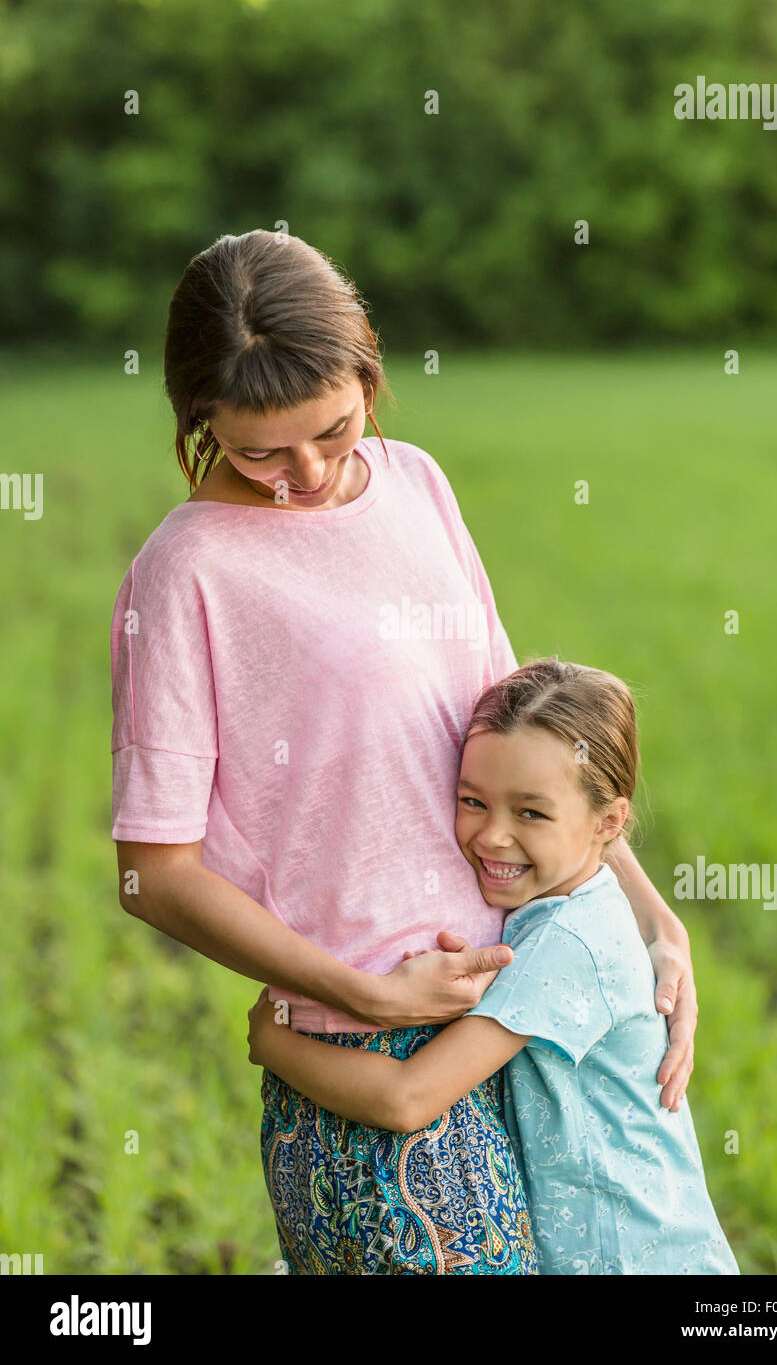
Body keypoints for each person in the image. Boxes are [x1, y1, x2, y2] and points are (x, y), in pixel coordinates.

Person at [111, 228, 698, 1275]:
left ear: (368, 367)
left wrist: (650, 921)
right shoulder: (186, 573)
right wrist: (364, 994)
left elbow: (540, 747)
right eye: (259, 449)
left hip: (503, 1030)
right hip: (362, 1061)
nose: (307, 474)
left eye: (334, 429)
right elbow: (152, 875)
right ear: (198, 419)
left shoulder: (416, 484)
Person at [248, 659, 737, 1275]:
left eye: (531, 813)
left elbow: (408, 1099)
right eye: (473, 801)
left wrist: (270, 1041)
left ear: (608, 824)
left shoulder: (572, 941)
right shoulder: (558, 909)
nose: (493, 837)